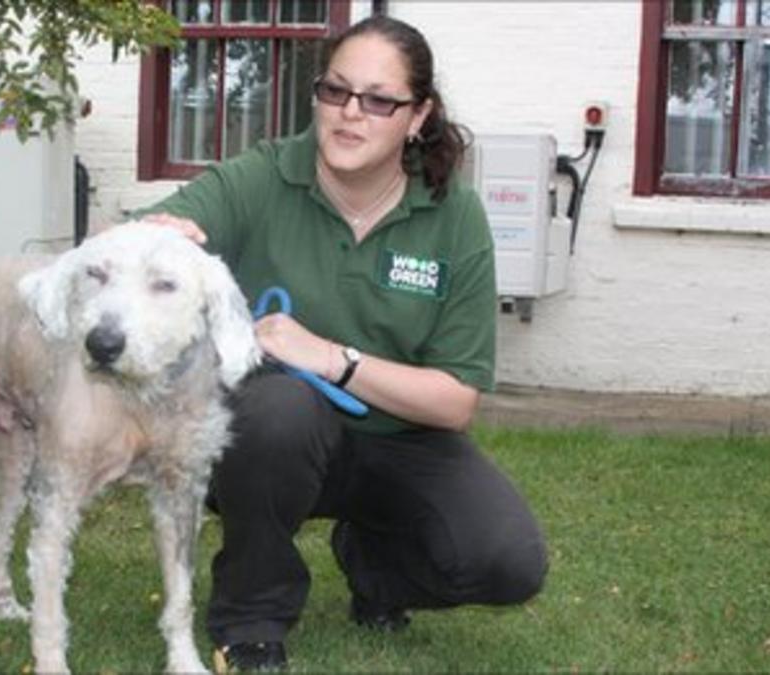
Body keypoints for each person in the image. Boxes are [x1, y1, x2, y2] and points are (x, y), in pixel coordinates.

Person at [137, 15, 547, 672]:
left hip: (404, 440)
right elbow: (147, 237)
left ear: (418, 116)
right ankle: (251, 618)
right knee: (277, 411)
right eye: (336, 91)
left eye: (379, 100)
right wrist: (153, 239)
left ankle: (375, 569)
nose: (351, 114)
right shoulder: (263, 175)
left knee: (509, 561)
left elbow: (455, 401)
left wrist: (332, 357)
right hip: (271, 441)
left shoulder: (454, 214)